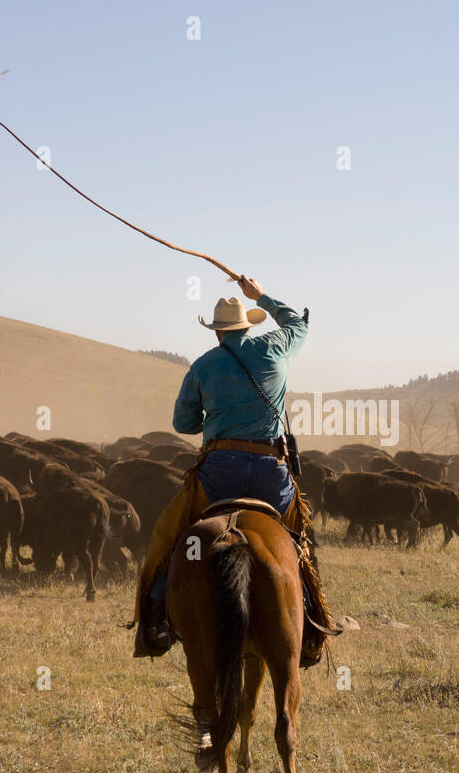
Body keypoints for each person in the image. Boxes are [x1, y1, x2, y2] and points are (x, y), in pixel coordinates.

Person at [129, 274, 334, 665]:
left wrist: (215, 413)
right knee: (300, 540)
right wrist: (260, 295)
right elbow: (298, 323)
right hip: (273, 475)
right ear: (247, 325)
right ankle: (312, 623)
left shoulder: (204, 366)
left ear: (217, 333)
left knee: (171, 536)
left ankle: (155, 618)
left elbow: (183, 423)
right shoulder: (276, 347)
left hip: (219, 473)